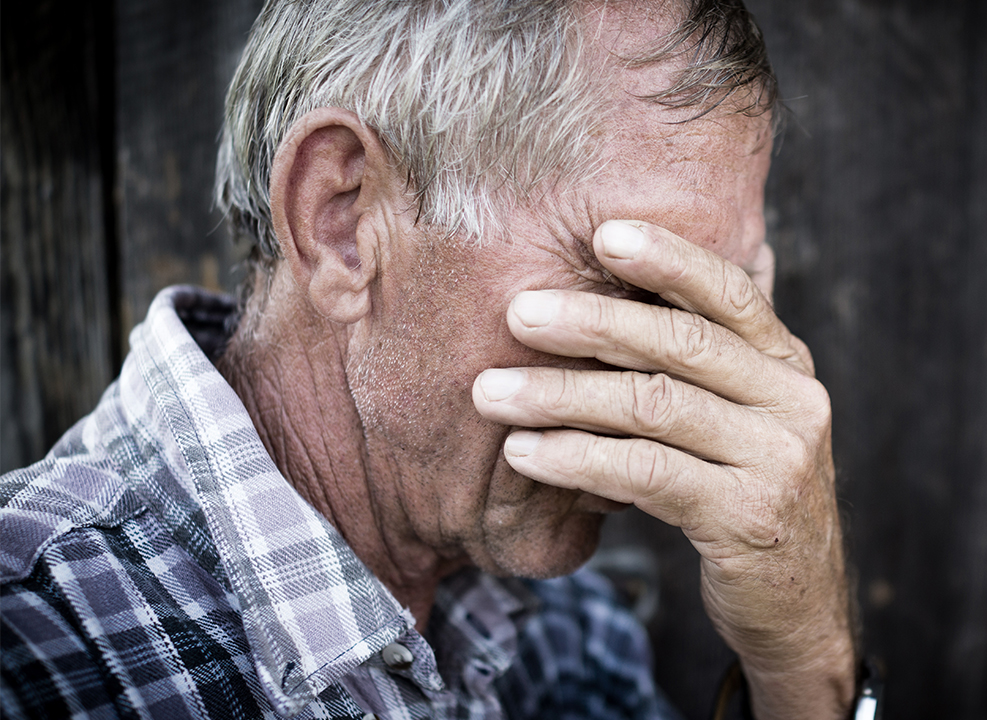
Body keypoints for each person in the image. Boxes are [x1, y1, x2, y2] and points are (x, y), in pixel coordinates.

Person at [1, 1, 860, 717]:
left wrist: (802, 662)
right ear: (343, 222)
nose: (681, 386)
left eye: (720, 305)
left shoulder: (562, 627)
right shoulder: (32, 641)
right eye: (633, 286)